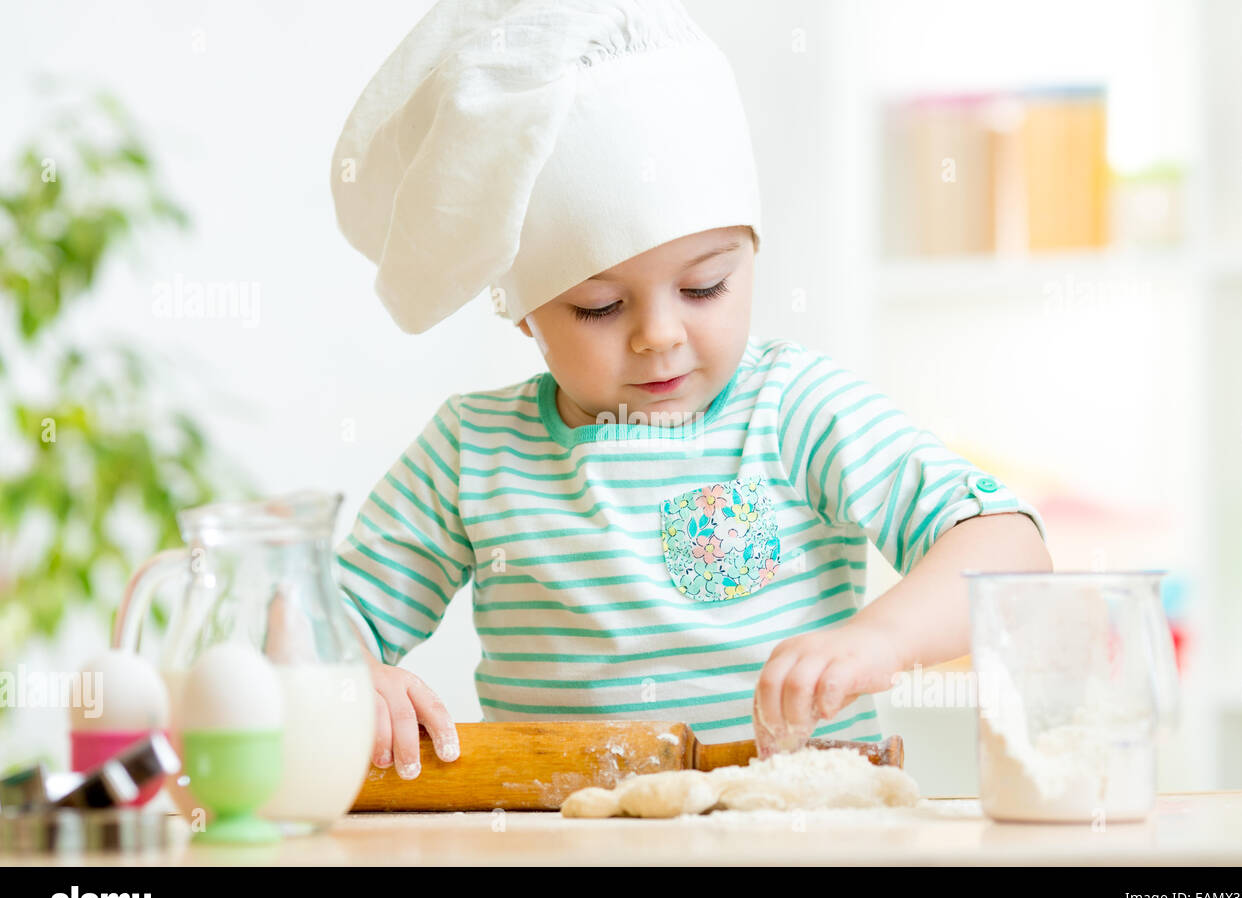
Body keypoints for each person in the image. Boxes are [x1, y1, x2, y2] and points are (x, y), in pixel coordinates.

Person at [328, 0, 1052, 782]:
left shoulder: (796, 409)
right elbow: (311, 621)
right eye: (600, 308)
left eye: (705, 286)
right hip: (558, 842)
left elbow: (1009, 548)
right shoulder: (474, 452)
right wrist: (348, 675)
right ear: (524, 315)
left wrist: (881, 638)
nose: (659, 335)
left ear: (750, 257)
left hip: (798, 833)